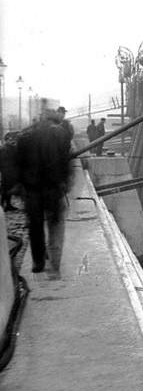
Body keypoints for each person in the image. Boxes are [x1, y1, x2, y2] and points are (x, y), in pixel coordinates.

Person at [16, 108, 72, 274]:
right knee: (54, 223)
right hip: (53, 187)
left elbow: (19, 164)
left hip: (32, 189)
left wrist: (21, 185)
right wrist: (65, 181)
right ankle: (54, 261)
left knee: (35, 226)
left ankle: (38, 262)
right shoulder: (61, 133)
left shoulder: (25, 136)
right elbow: (65, 160)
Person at [0, 132, 19, 210]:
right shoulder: (5, 149)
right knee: (5, 189)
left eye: (13, 139)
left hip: (10, 171)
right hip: (7, 171)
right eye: (10, 139)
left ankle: (8, 204)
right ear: (6, 140)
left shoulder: (9, 148)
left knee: (8, 189)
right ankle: (2, 205)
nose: (13, 141)